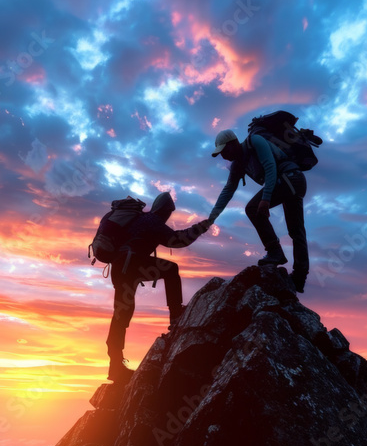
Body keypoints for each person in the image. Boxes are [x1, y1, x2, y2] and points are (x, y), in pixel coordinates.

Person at [106, 192, 210, 382]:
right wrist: (200, 228)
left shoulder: (143, 220)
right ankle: (176, 315)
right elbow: (177, 240)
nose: (168, 216)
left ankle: (115, 366)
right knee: (171, 270)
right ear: (164, 210)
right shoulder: (152, 221)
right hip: (130, 267)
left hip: (122, 268)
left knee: (121, 315)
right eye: (169, 212)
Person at [208, 128, 309, 293]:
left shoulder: (255, 141)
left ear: (234, 143)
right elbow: (227, 191)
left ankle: (275, 252)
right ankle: (298, 278)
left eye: (224, 151)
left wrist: (266, 199)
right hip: (290, 182)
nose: (223, 156)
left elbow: (270, 167)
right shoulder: (237, 164)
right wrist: (211, 218)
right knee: (296, 231)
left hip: (291, 178)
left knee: (253, 208)